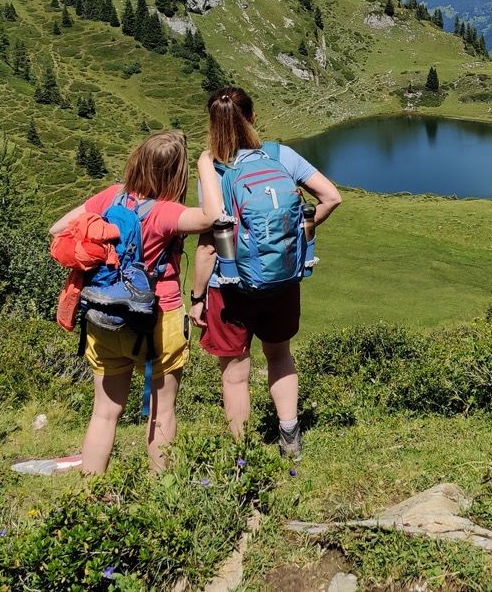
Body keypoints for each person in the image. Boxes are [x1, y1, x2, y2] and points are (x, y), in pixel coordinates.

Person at [49, 131, 224, 474]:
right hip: (157, 319)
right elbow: (212, 217)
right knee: (163, 411)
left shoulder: (110, 197)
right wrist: (205, 163)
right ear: (175, 174)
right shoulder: (166, 213)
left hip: (104, 315)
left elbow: (58, 229)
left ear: (137, 162)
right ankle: (162, 492)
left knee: (104, 412)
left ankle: (90, 491)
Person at [191, 86, 341, 459]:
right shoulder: (279, 155)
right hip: (282, 280)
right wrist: (297, 238)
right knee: (279, 355)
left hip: (230, 287)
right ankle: (290, 438)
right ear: (253, 118)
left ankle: (243, 457)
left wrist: (196, 297)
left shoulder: (213, 168)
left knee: (235, 372)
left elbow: (210, 240)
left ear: (212, 125)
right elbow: (331, 197)